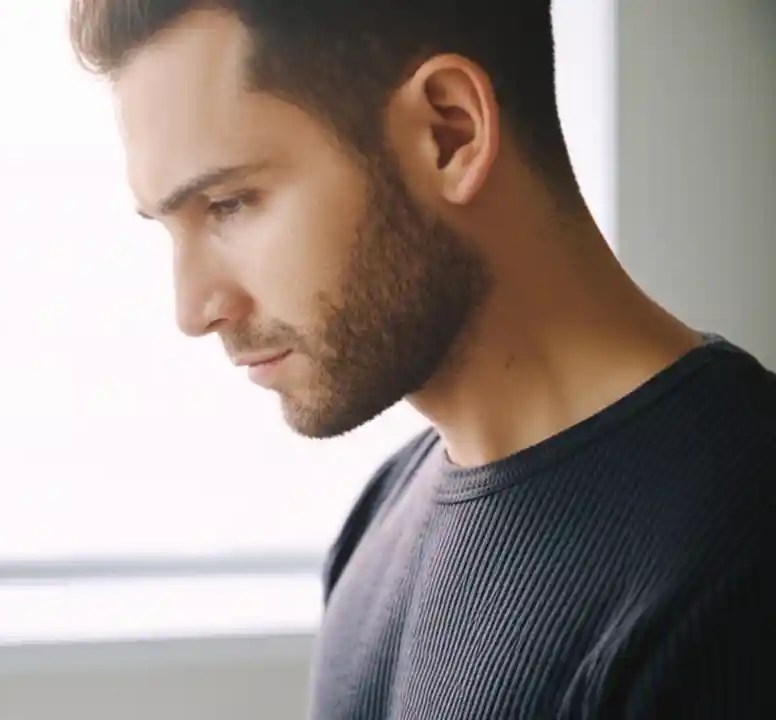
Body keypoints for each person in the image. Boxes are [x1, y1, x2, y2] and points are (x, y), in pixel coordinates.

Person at [68, 1, 776, 717]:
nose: (194, 309)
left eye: (229, 204)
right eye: (171, 227)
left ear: (450, 132)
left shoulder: (740, 558)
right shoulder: (380, 524)